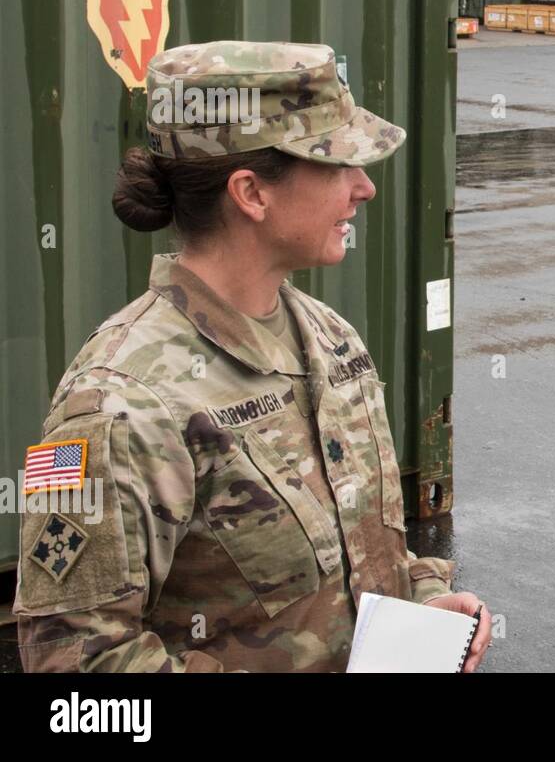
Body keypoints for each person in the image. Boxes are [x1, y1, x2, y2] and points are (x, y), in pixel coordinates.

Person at [13, 41, 491, 672]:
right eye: (337, 164)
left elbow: (362, 550)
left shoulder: (330, 340)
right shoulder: (114, 403)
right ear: (251, 194)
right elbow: (71, 666)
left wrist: (421, 600)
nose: (365, 188)